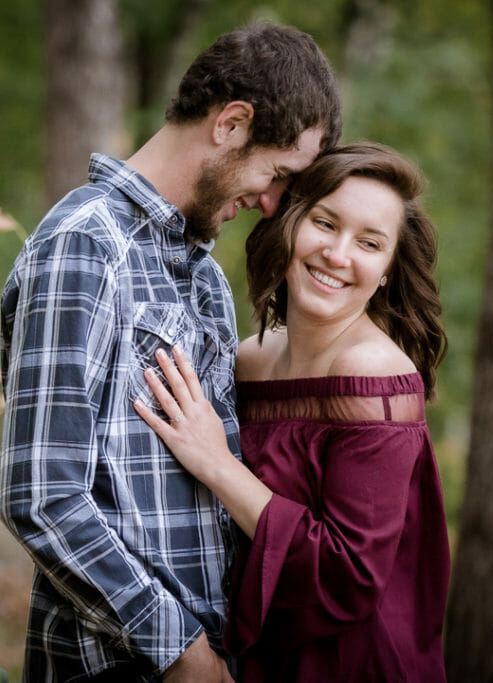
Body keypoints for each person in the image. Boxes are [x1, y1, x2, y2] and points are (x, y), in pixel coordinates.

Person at [0, 22, 342, 682]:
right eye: (278, 174)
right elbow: (41, 496)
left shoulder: (204, 278)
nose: (273, 205)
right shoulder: (85, 244)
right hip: (119, 664)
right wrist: (180, 651)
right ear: (232, 123)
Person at [134, 142, 450, 682]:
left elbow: (348, 572)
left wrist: (217, 464)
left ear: (388, 271)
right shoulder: (250, 359)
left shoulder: (377, 379)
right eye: (326, 223)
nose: (338, 254)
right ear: (291, 222)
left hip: (352, 662)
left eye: (369, 243)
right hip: (255, 654)